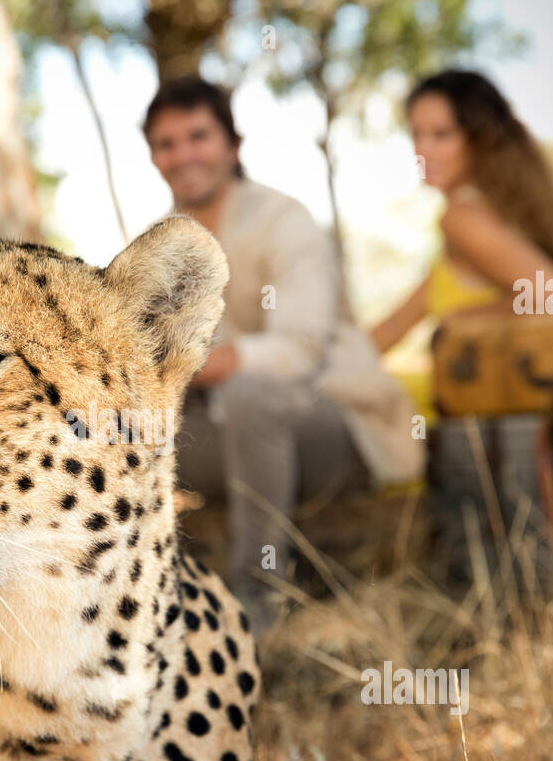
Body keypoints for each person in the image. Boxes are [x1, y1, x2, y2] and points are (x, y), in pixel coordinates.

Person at [143, 76, 424, 637]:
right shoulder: (159, 244)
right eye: (166, 143)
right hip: (224, 442)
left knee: (253, 396)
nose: (183, 154)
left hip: (334, 428)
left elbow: (298, 353)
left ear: (233, 146)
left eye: (198, 136)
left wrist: (189, 369)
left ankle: (257, 600)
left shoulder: (284, 220)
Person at [371, 69, 553, 355]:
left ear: (481, 138)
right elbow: (395, 326)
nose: (422, 148)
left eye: (441, 134)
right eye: (416, 134)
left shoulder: (462, 217)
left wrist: (456, 325)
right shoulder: (487, 215)